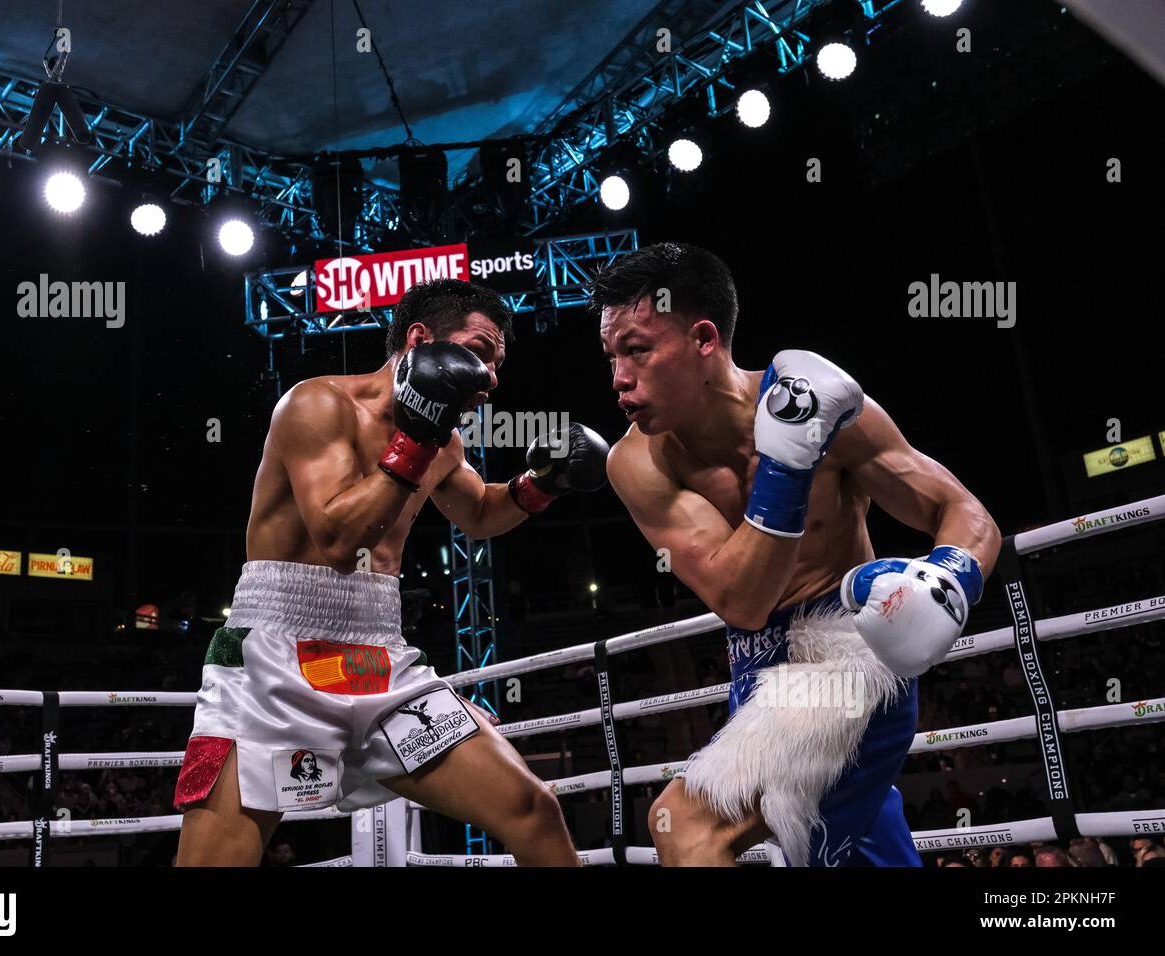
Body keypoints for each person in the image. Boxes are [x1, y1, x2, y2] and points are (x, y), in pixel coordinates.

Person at [175, 278, 608, 866]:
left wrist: (542, 486)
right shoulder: (317, 404)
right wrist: (417, 438)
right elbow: (337, 538)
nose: (491, 380)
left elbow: (479, 513)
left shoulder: (444, 442)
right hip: (270, 658)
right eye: (479, 352)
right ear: (419, 340)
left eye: (498, 364)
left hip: (375, 661)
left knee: (534, 812)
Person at [594, 242, 1000, 866]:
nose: (619, 378)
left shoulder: (825, 406)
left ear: (704, 338)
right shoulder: (637, 463)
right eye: (611, 356)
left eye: (637, 350)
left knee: (686, 826)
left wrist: (946, 577)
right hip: (752, 674)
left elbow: (964, 512)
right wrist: (789, 464)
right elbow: (742, 600)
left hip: (846, 665)